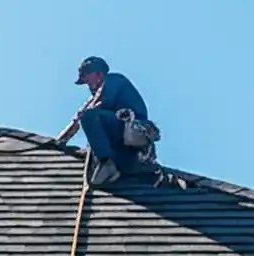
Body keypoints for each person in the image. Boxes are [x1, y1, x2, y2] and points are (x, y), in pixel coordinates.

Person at [73, 56, 180, 187]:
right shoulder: (101, 94)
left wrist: (85, 113)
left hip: (131, 128)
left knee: (89, 117)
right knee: (91, 120)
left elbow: (106, 103)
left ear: (97, 74)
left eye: (86, 79)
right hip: (121, 139)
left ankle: (106, 164)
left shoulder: (113, 80)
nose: (87, 84)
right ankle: (115, 163)